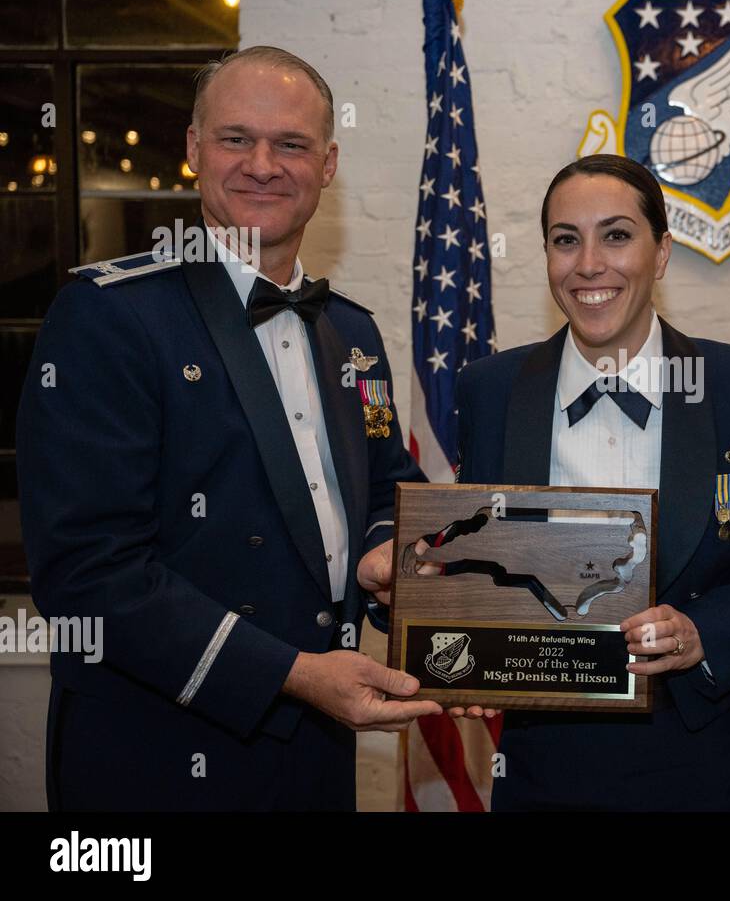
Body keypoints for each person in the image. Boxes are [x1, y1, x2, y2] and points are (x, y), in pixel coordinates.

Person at [17, 46, 440, 810]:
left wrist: (384, 551)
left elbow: (389, 483)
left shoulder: (355, 335)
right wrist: (295, 675)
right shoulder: (109, 315)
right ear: (192, 150)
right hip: (155, 754)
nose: (263, 165)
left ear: (328, 162)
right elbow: (86, 573)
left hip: (316, 754)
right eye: (236, 138)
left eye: (292, 144)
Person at [448, 154, 730, 810]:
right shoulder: (490, 391)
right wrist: (464, 640)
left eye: (617, 235)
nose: (589, 264)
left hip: (699, 762)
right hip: (541, 767)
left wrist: (703, 631)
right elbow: (478, 549)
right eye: (565, 240)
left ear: (661, 253)